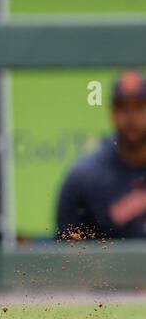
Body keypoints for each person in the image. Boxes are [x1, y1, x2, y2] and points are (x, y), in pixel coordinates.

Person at [56, 71, 146, 239]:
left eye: (139, 107)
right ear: (112, 112)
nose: (131, 117)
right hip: (111, 265)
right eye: (123, 108)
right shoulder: (85, 176)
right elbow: (67, 254)